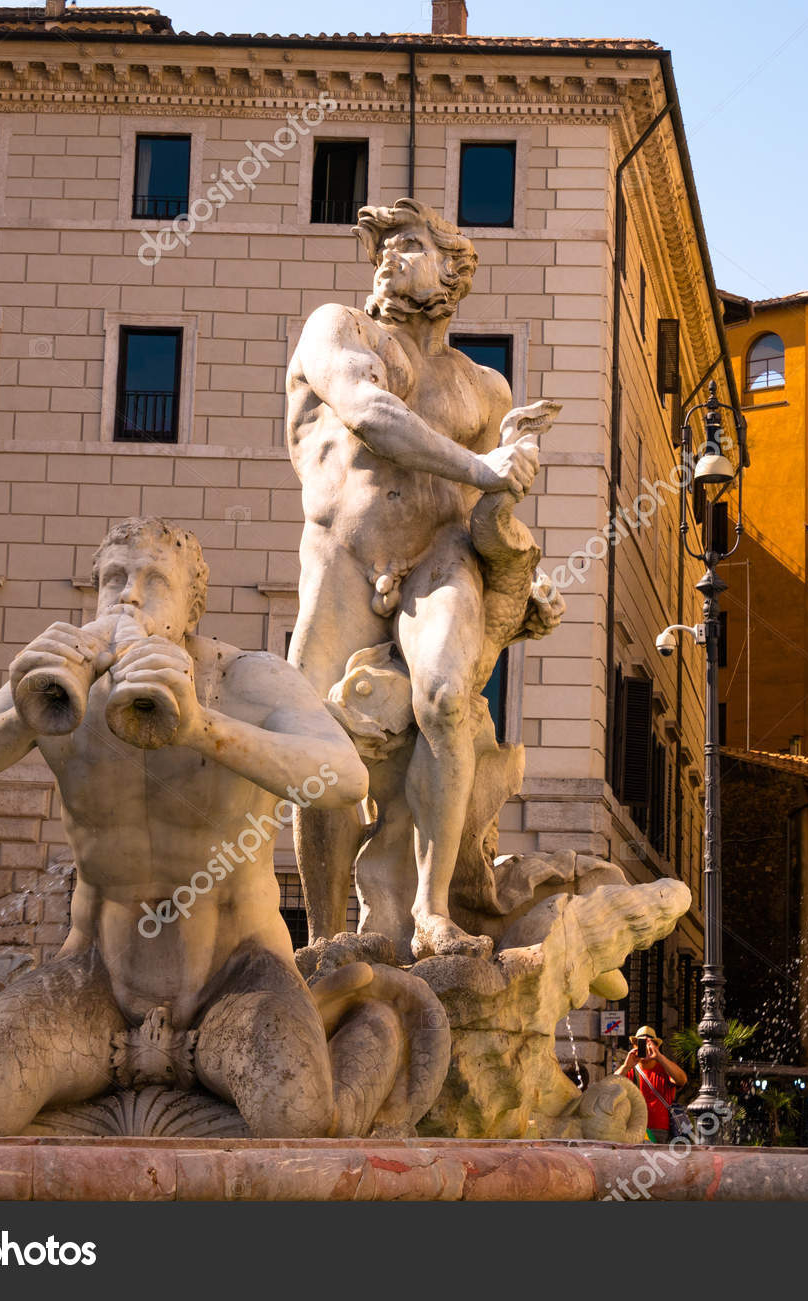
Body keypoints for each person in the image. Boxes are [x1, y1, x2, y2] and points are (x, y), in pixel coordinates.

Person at [0, 518, 441, 1137]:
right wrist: (17, 722)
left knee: (297, 1122)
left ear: (192, 606)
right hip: (98, 978)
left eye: (154, 581)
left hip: (234, 977)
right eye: (113, 580)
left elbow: (345, 779)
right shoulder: (60, 687)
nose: (127, 596)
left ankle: (363, 1028)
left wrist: (199, 728)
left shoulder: (245, 680)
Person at [285, 197, 554, 961]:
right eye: (385, 247)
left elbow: (477, 509)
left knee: (444, 696)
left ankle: (433, 913)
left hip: (437, 560)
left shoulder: (486, 389)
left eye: (410, 245)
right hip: (344, 556)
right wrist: (483, 464)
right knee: (322, 751)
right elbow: (369, 414)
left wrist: (516, 578)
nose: (389, 257)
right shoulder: (339, 329)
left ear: (453, 269)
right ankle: (326, 935)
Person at [618, 1025, 687, 1142]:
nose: (644, 1047)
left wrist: (659, 1057)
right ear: (635, 1046)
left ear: (656, 1046)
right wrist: (625, 1066)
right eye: (640, 1043)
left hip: (659, 1130)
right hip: (635, 1129)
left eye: (648, 1044)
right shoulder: (630, 1069)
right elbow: (610, 1086)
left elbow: (682, 1080)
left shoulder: (665, 1068)